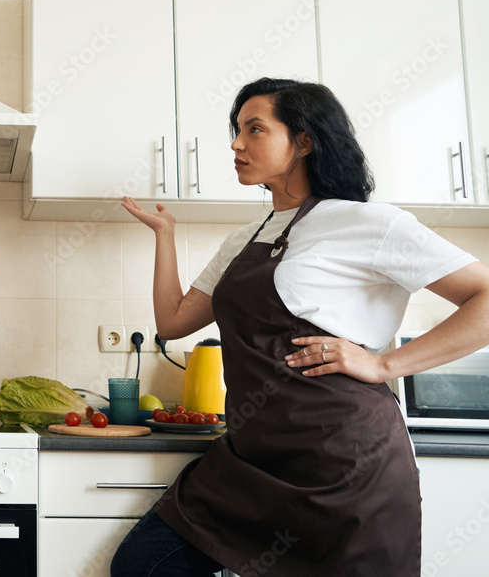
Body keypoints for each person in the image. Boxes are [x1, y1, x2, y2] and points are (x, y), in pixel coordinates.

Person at [112, 77, 489, 576]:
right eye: (237, 130)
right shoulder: (245, 238)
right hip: (251, 462)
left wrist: (383, 364)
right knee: (144, 565)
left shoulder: (370, 224)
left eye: (254, 129)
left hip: (345, 466)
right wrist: (165, 236)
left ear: (304, 142)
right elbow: (174, 321)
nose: (236, 143)